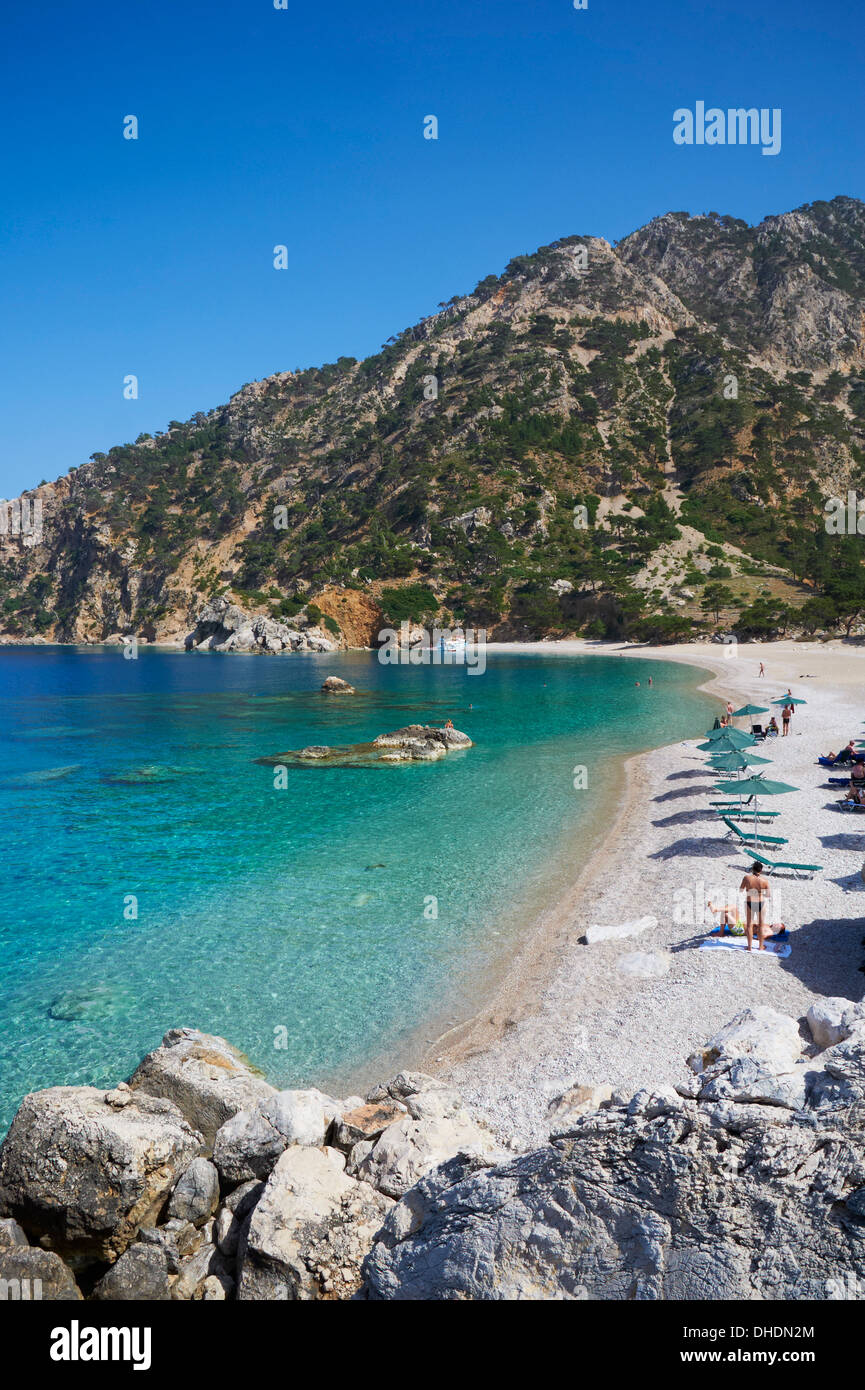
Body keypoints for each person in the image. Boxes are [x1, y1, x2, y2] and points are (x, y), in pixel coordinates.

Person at [740, 862, 771, 952]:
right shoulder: (765, 881)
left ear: (752, 868)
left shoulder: (747, 878)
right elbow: (768, 895)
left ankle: (749, 947)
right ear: (761, 870)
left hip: (750, 902)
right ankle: (760, 947)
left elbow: (741, 889)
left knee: (749, 925)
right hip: (760, 902)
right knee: (761, 925)